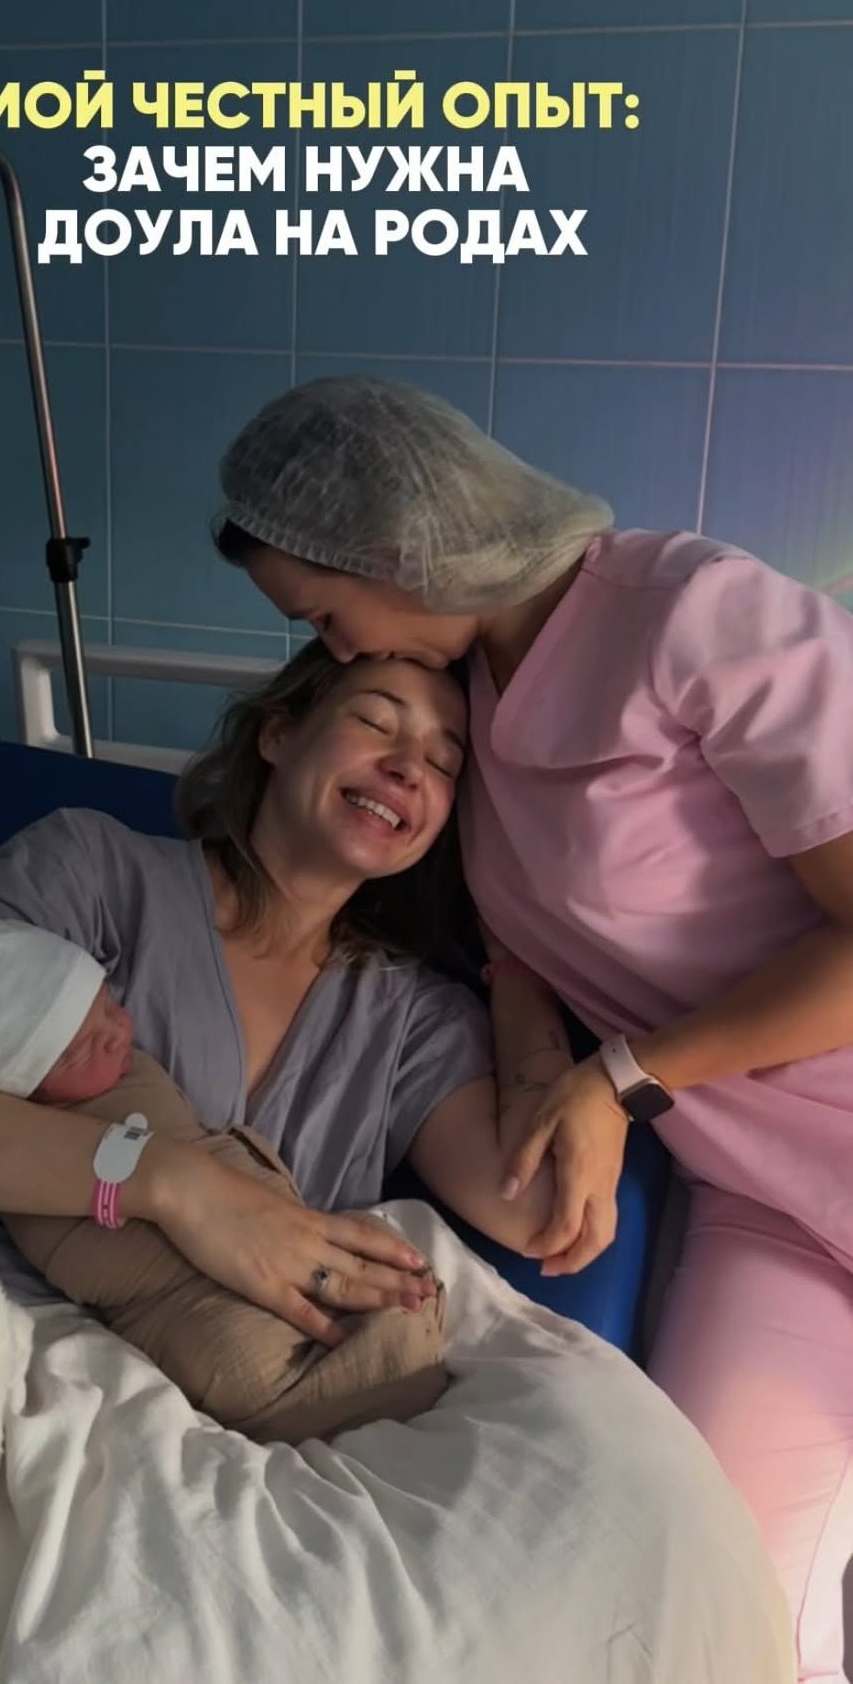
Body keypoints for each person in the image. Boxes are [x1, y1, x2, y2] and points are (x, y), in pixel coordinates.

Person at [212, 372, 853, 1684]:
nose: (335, 649)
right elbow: (521, 934)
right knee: (708, 1590)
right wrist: (538, 1059)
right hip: (765, 1198)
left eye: (324, 612)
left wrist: (623, 1080)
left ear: (396, 549)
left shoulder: (693, 616)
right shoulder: (466, 706)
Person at [0, 647, 555, 1371]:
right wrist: (176, 1186)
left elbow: (539, 1210)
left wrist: (516, 953)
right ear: (278, 733)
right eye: (375, 722)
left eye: (443, 763)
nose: (407, 767)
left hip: (199, 1391)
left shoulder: (412, 1020)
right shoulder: (92, 873)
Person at [0, 908, 448, 1444]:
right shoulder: (26, 1170)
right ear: (18, 1086)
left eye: (109, 1004)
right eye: (85, 1044)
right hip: (192, 1312)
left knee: (379, 1249)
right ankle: (370, 1375)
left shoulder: (125, 1070)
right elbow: (81, 1256)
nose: (121, 1029)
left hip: (273, 1230)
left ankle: (391, 1344)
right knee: (247, 1358)